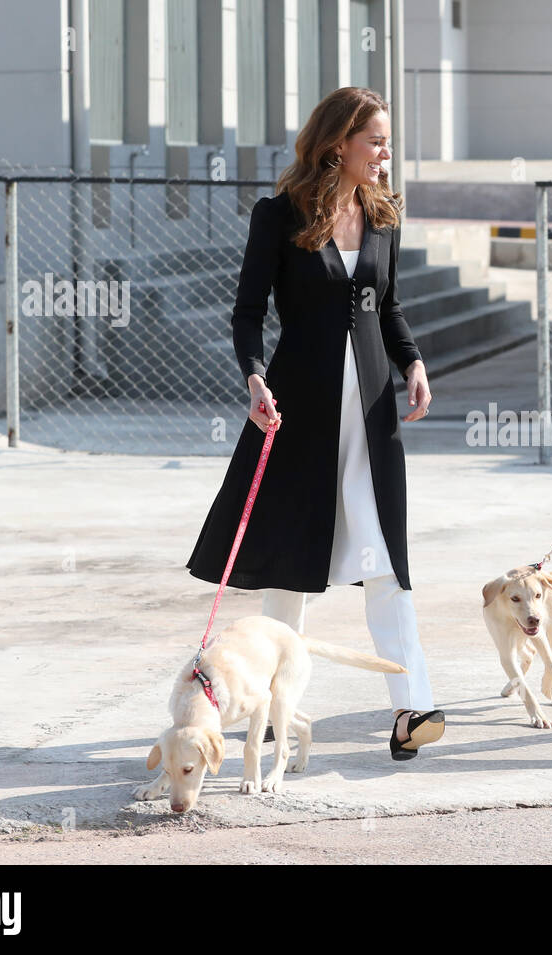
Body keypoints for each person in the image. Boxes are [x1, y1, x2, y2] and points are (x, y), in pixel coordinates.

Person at [185, 87, 445, 760]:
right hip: (298, 411)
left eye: (387, 141)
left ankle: (412, 706)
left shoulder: (384, 216)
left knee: (387, 557)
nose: (386, 153)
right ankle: (274, 712)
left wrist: (412, 361)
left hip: (373, 411)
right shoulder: (279, 215)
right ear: (339, 143)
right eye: (377, 141)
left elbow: (387, 309)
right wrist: (253, 377)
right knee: (290, 572)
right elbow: (246, 313)